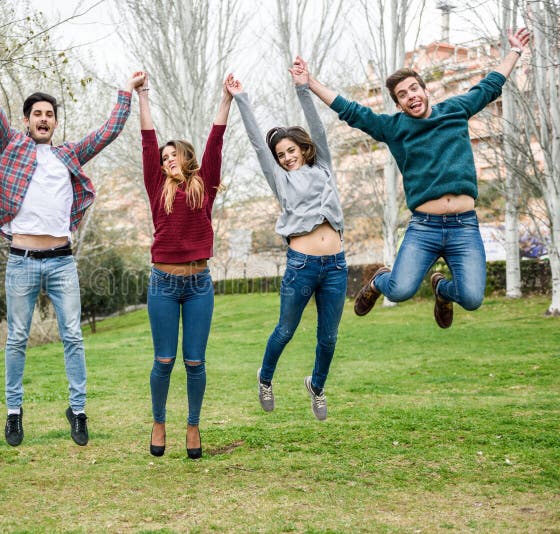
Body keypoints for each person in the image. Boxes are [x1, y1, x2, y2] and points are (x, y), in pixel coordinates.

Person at [0, 28, 142, 448]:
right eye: (36, 113)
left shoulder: (67, 155)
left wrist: (125, 91)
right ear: (26, 120)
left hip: (61, 261)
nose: (43, 119)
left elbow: (108, 131)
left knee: (73, 336)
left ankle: (78, 410)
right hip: (21, 259)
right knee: (17, 338)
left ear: (55, 123)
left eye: (49, 115)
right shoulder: (12, 147)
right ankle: (14, 413)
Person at [305, 28, 531, 329]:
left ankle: (441, 289)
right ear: (398, 105)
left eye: (414, 89)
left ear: (426, 91)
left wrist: (515, 51)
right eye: (402, 95)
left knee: (473, 298)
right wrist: (310, 83)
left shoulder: (456, 110)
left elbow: (490, 85)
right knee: (399, 290)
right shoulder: (394, 128)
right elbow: (352, 111)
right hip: (425, 227)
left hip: (464, 225)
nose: (411, 96)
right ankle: (378, 281)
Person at [228, 59, 346, 421]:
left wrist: (302, 86)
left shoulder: (323, 165)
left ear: (303, 148)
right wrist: (240, 98)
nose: (286, 157)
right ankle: (265, 378)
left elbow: (317, 127)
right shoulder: (280, 180)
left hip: (337, 264)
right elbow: (256, 144)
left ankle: (318, 386)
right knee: (286, 330)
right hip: (302, 265)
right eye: (281, 155)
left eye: (291, 150)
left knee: (328, 338)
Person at [137, 72, 233, 459]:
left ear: (187, 158)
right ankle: (159, 421)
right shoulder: (155, 188)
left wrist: (226, 99)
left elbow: (217, 141)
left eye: (173, 153)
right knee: (164, 360)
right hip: (163, 283)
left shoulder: (204, 185)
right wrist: (143, 95)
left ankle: (193, 426)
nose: (167, 158)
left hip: (199, 285)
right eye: (164, 157)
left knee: (195, 360)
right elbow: (147, 142)